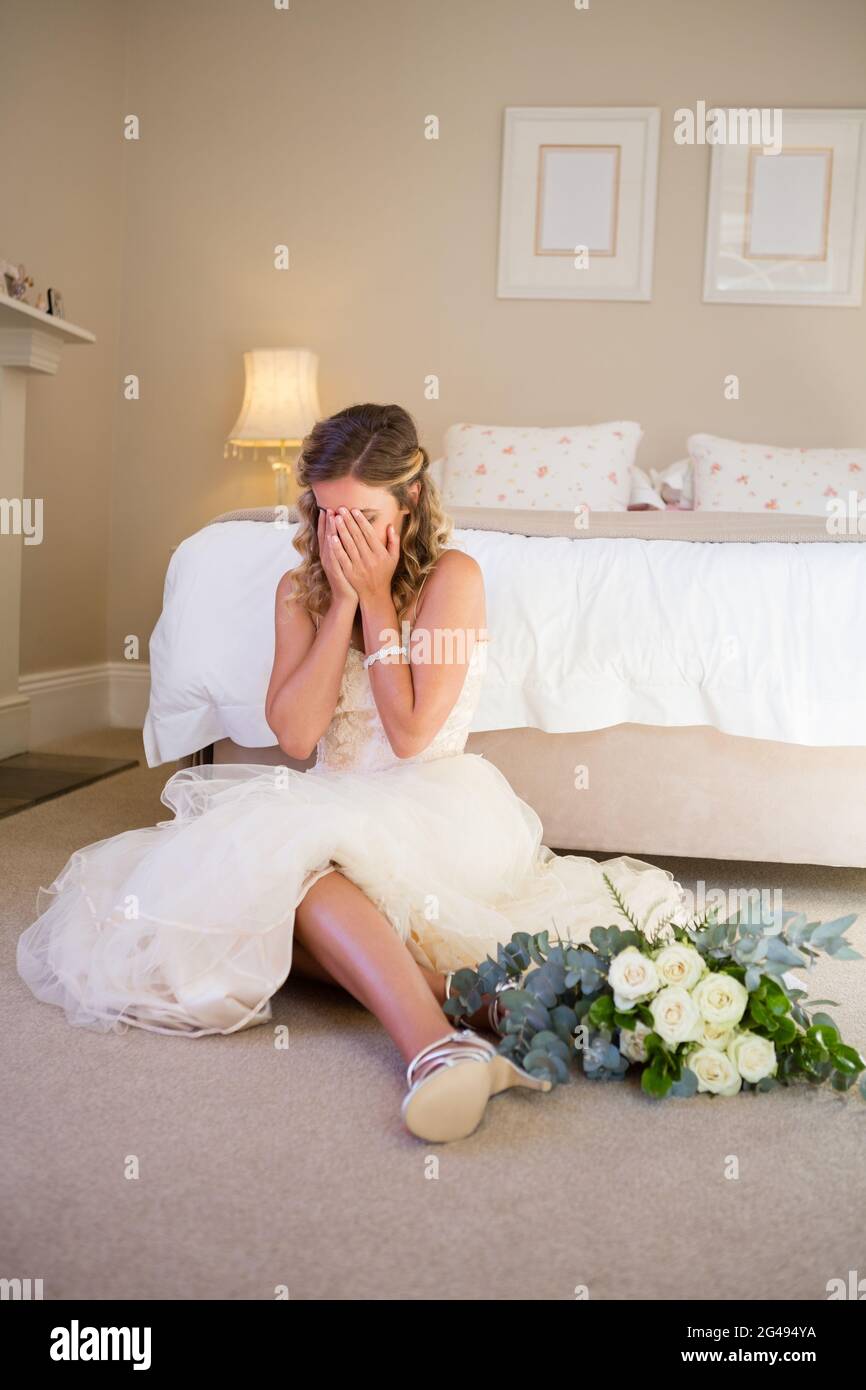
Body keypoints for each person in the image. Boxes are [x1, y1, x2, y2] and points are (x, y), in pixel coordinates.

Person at [16, 402, 686, 1143]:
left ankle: (429, 1045)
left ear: (411, 498)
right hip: (331, 800)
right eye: (329, 514)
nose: (344, 535)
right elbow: (297, 733)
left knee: (279, 891)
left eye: (364, 515)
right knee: (261, 894)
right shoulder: (296, 592)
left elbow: (408, 735)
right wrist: (339, 604)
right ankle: (468, 1013)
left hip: (436, 808)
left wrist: (377, 603)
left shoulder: (452, 579)